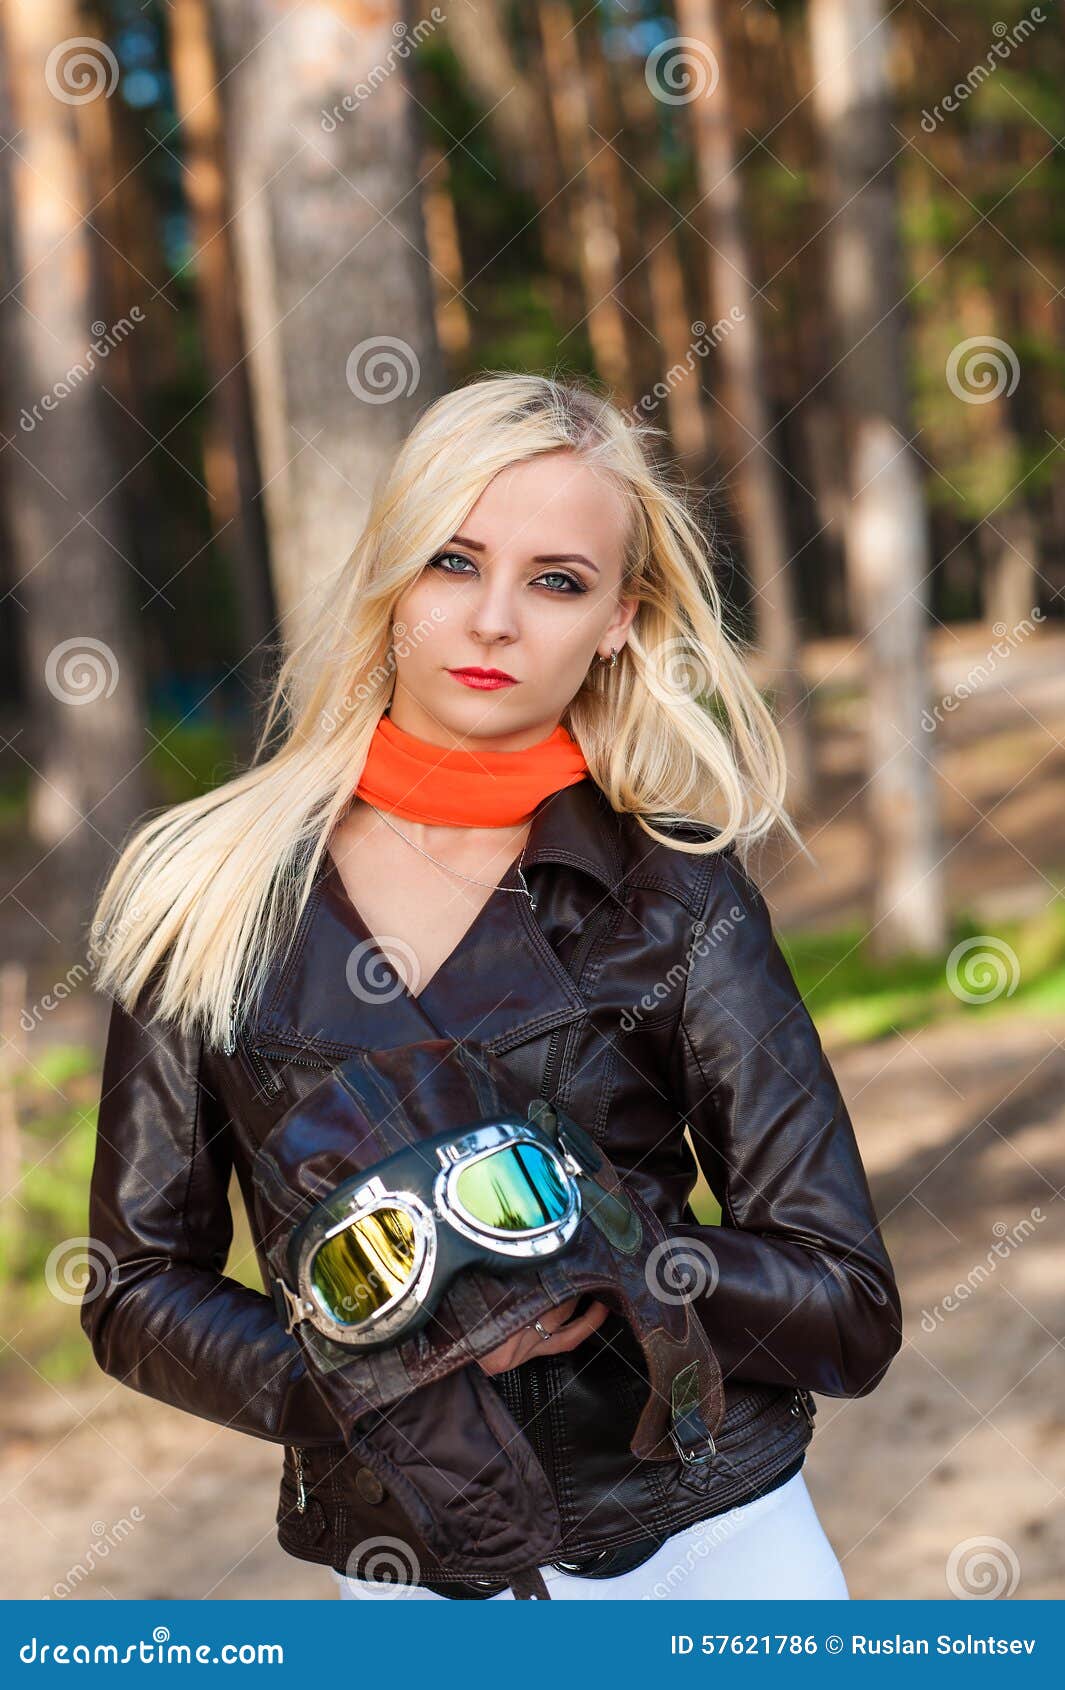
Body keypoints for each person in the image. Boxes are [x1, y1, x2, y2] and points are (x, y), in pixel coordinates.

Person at [83, 371, 901, 1600]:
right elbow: (135, 1289)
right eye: (454, 563)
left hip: (710, 1550)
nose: (494, 622)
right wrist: (364, 1375)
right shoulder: (209, 890)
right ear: (393, 574)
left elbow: (847, 1302)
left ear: (620, 619)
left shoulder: (677, 894)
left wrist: (622, 1266)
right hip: (410, 1573)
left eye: (556, 580)